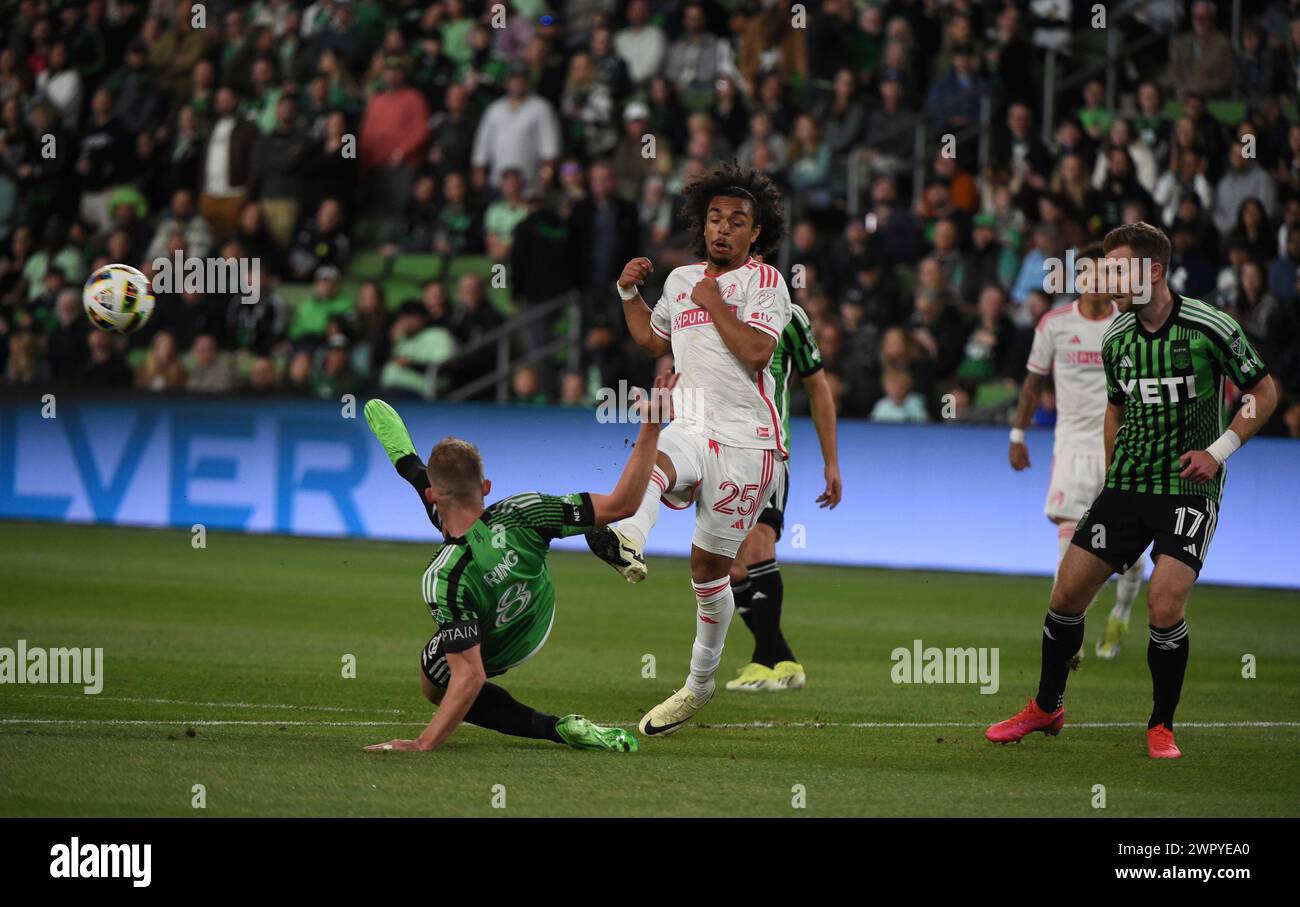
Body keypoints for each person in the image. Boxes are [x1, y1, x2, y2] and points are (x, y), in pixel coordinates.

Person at [988, 222, 1278, 758]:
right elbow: (1115, 408)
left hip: (1189, 489)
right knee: (1065, 596)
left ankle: (1160, 725)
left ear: (1155, 272)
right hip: (1127, 487)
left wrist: (1218, 453)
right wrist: (1111, 470)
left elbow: (1264, 390)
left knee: (1163, 605)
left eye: (1120, 269)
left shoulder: (1209, 326)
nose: (1109, 279)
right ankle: (1047, 707)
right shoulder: (1117, 339)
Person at [360, 372, 679, 754]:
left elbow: (471, 677)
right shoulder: (526, 510)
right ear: (487, 487)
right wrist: (650, 430)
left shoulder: (442, 576)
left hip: (499, 633)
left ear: (433, 494)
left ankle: (557, 729)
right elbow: (623, 504)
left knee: (435, 681)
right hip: (538, 615)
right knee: (454, 519)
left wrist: (421, 743)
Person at [587, 162, 791, 736]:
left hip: (749, 443)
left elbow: (755, 352)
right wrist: (629, 292)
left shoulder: (767, 283)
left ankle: (698, 685)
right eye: (714, 219)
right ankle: (627, 539)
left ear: (757, 233)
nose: (722, 229)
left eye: (737, 222)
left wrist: (716, 301)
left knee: (709, 570)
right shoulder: (680, 282)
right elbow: (654, 340)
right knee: (656, 457)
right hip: (694, 419)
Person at [1009, 243, 1145, 659]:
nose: (1098, 281)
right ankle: (1069, 638)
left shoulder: (1129, 326)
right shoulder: (1054, 325)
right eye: (1089, 273)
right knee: (1068, 545)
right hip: (1071, 447)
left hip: (1123, 445)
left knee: (1130, 551)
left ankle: (1120, 612)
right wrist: (1018, 434)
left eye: (1106, 274)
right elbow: (1034, 382)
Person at [724, 299, 842, 693]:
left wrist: (831, 462)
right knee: (728, 568)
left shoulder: (787, 314)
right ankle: (783, 658)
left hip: (767, 452)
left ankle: (763, 662)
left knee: (758, 547)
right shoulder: (705, 301)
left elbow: (818, 387)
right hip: (718, 452)